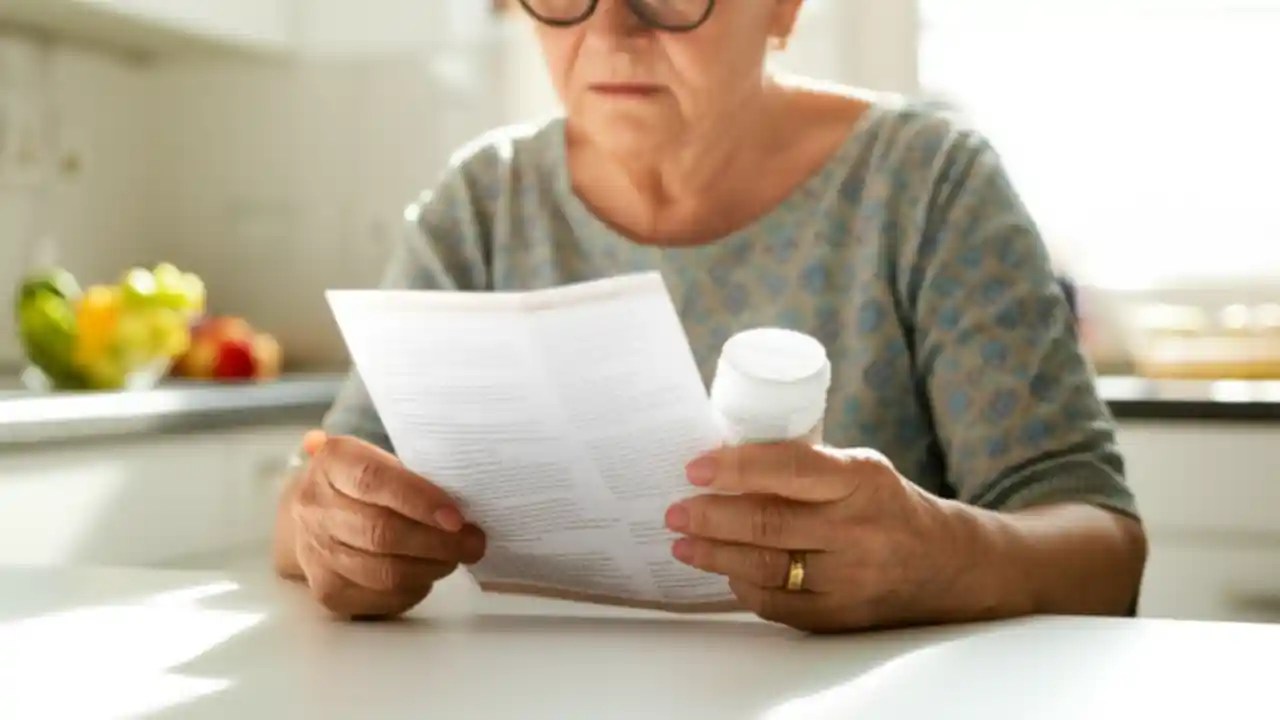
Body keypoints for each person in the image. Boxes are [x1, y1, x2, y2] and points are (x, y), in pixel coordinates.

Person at [273, 0, 1147, 632]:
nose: (610, 30)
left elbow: (1104, 550)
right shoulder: (481, 205)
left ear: (784, 8)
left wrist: (942, 554)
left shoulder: (926, 186)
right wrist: (338, 534)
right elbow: (319, 494)